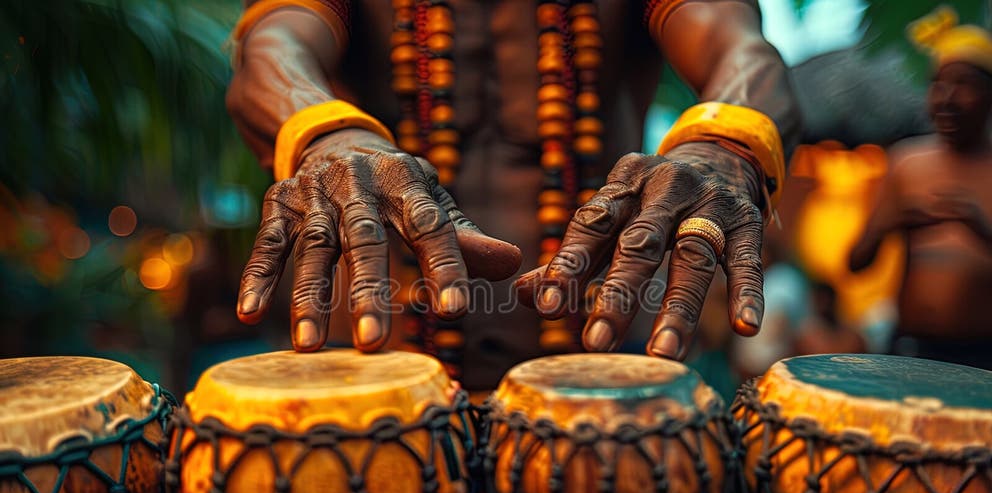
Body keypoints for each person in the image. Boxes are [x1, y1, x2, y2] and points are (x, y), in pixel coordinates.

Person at [226, 0, 800, 387]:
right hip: (388, 391)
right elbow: (271, 52)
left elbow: (742, 52)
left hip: (607, 387)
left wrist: (720, 149)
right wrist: (330, 139)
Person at [850, 7, 992, 370]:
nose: (947, 97)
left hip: (983, 357)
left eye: (964, 84)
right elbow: (855, 263)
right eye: (938, 84)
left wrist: (981, 229)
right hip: (910, 348)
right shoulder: (906, 163)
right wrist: (888, 224)